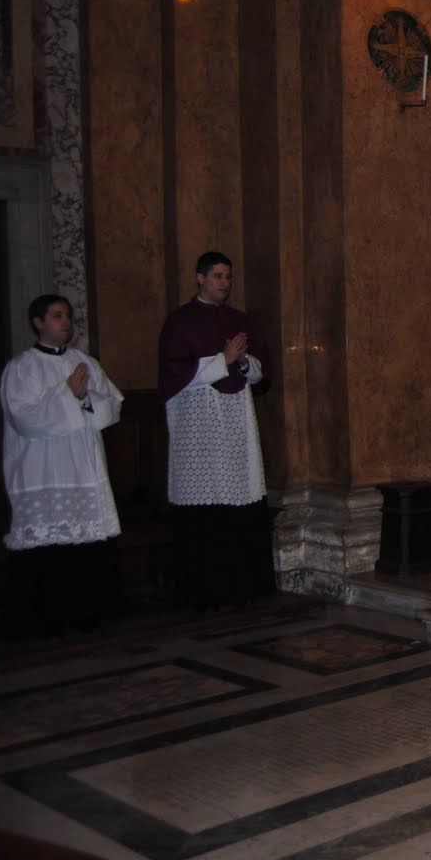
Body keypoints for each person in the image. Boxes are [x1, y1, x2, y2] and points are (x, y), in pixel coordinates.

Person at [0, 295, 124, 633]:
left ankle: (89, 612)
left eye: (68, 316)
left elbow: (113, 405)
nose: (65, 322)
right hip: (40, 467)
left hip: (81, 465)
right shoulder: (21, 368)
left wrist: (84, 397)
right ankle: (41, 619)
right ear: (38, 322)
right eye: (57, 316)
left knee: (84, 546)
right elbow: (24, 419)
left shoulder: (86, 362)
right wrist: (66, 395)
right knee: (47, 546)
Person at [157, 250, 273, 610]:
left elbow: (261, 372)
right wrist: (220, 360)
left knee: (240, 500)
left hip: (236, 419)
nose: (225, 283)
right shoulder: (180, 322)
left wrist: (241, 361)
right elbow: (174, 373)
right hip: (199, 423)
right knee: (205, 510)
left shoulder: (239, 320)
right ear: (200, 278)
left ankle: (243, 587)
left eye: (228, 277)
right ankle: (203, 592)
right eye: (218, 276)